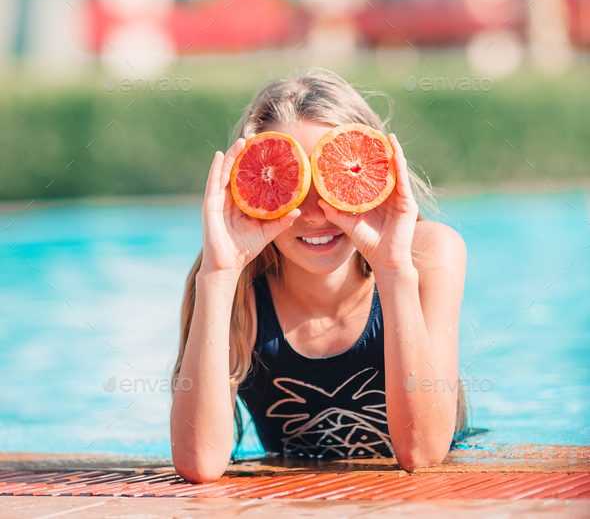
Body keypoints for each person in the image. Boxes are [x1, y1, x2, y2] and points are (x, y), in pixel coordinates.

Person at [171, 69, 466, 482]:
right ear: (252, 189)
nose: (314, 214)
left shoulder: (427, 255)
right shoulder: (231, 283)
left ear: (376, 178)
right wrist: (218, 276)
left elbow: (421, 454)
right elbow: (199, 463)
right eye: (290, 184)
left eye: (334, 184)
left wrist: (393, 268)